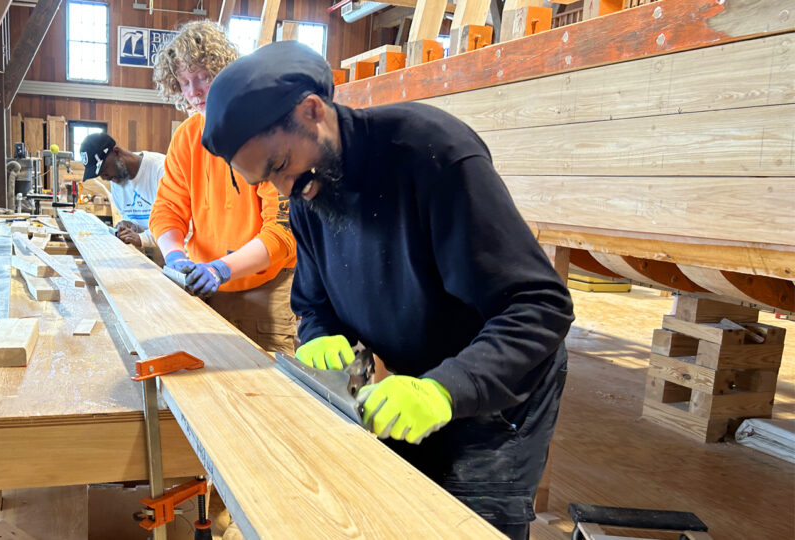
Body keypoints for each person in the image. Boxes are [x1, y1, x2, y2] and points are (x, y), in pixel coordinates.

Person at [201, 41, 575, 539]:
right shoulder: (310, 194)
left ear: (313, 111)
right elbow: (313, 304)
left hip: (495, 392)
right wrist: (317, 335)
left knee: (470, 528)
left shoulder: (432, 154)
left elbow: (539, 305)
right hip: (405, 381)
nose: (286, 189)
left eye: (280, 165)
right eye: (266, 181)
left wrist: (445, 389)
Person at [149, 20, 298, 355]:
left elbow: (284, 231)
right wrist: (174, 256)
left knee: (269, 393)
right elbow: (167, 211)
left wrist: (223, 268)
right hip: (204, 288)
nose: (194, 91)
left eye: (202, 76)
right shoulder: (187, 137)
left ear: (226, 71)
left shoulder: (266, 130)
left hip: (264, 289)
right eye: (184, 82)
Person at [79, 133, 166, 263]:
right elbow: (133, 219)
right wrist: (130, 226)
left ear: (116, 152)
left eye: (105, 170)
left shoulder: (161, 169)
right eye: (101, 175)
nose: (106, 178)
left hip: (185, 262)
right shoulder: (117, 181)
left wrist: (142, 239)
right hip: (153, 259)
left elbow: (178, 225)